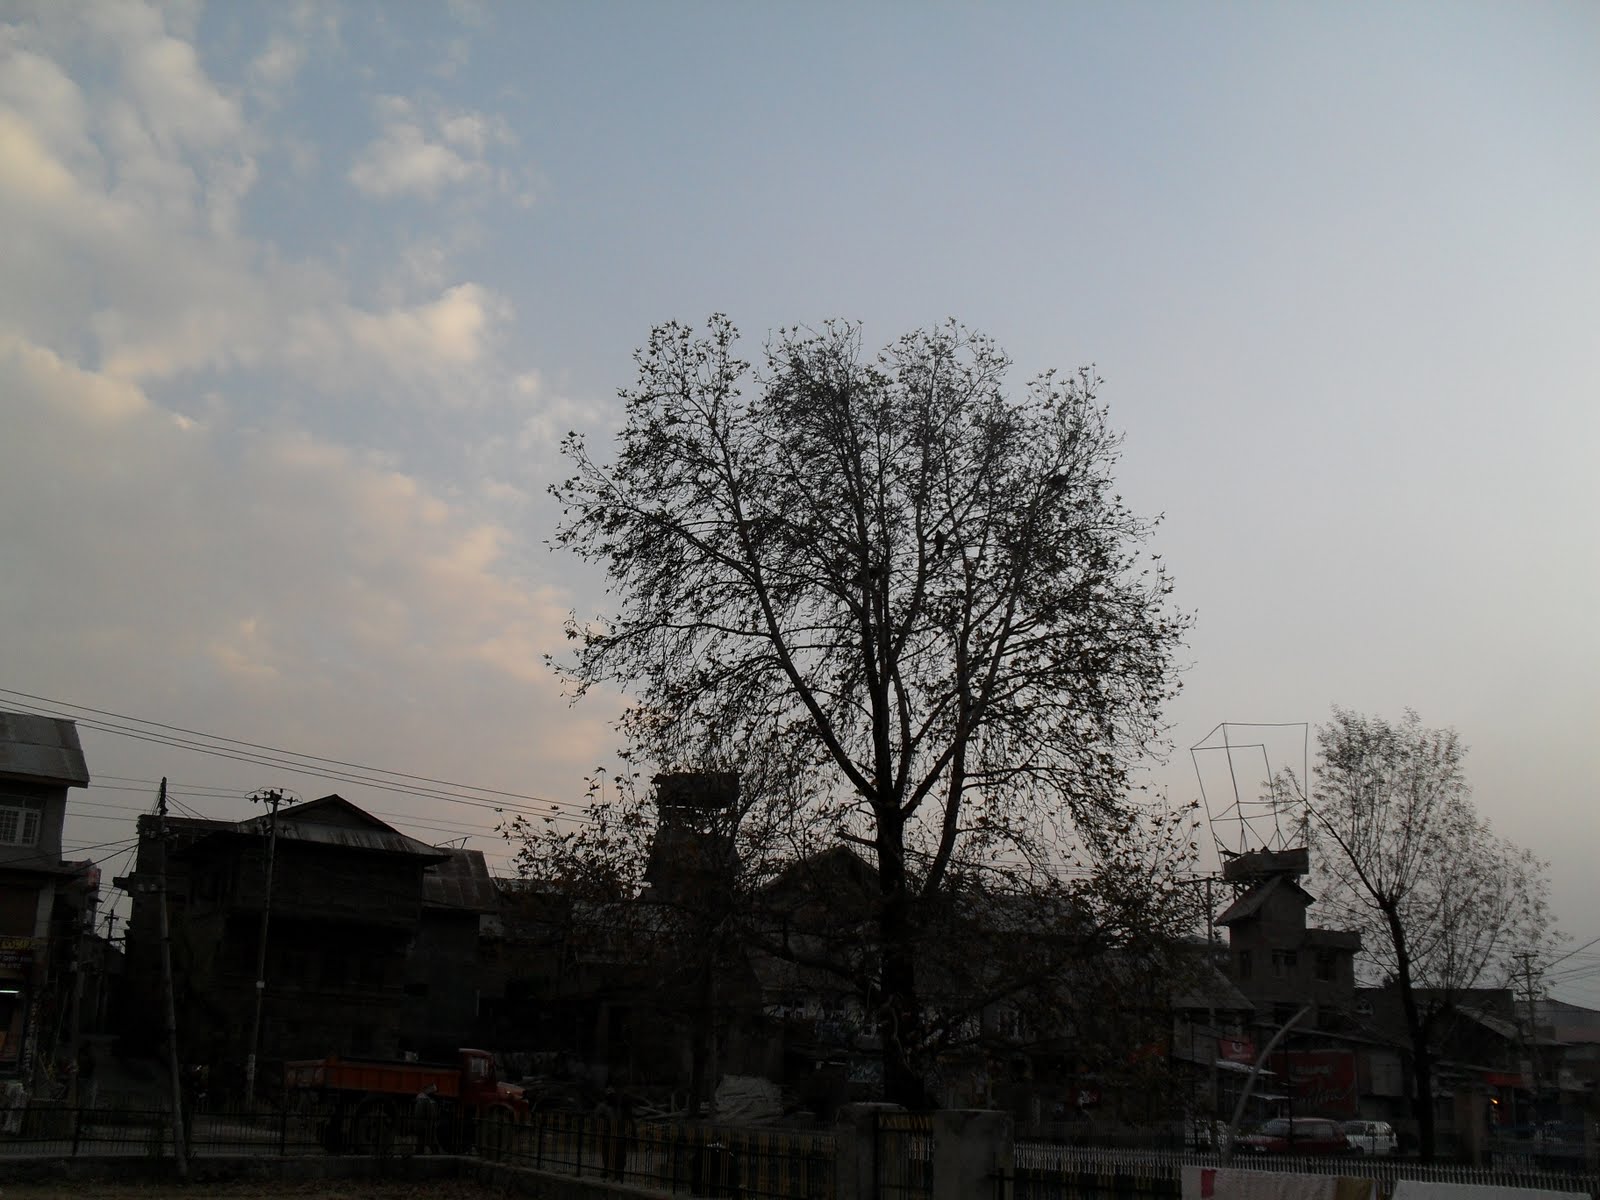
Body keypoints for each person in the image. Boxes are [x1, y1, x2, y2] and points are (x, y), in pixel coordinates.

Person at [413, 1083, 440, 1154]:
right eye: (433, 1090)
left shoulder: (423, 1099)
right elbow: (429, 1114)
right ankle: (435, 1153)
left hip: (425, 1125)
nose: (434, 1093)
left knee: (422, 1141)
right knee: (429, 1141)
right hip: (426, 1125)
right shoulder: (426, 1100)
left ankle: (419, 1153)